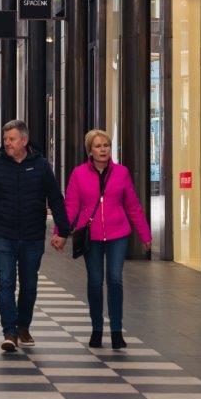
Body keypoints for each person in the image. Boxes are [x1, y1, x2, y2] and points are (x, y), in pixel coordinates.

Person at [0, 120, 69, 352]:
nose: (7, 143)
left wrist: (62, 230)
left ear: (24, 140)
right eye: (5, 140)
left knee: (29, 285)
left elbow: (55, 199)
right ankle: (10, 332)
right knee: (6, 283)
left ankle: (23, 325)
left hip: (33, 236)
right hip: (3, 234)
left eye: (11, 139)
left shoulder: (42, 166)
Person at [57, 129, 152, 350]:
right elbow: (70, 207)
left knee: (115, 279)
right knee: (95, 281)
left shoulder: (121, 173)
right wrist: (60, 233)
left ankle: (117, 330)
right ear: (90, 150)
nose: (103, 149)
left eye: (106, 145)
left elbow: (133, 206)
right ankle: (97, 329)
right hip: (92, 236)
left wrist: (145, 235)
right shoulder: (79, 174)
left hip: (118, 233)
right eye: (98, 146)